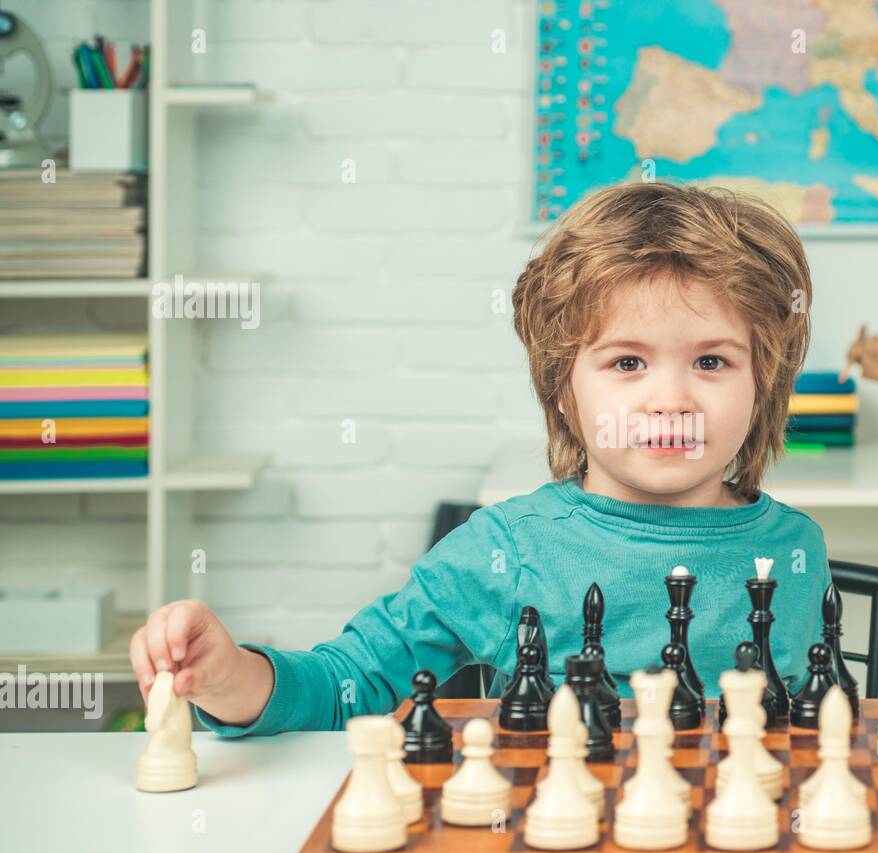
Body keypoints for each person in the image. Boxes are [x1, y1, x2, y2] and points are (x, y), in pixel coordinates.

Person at [129, 180, 833, 735]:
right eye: (627, 362)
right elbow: (355, 681)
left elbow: (806, 729)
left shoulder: (796, 548)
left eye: (711, 360)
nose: (669, 397)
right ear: (563, 390)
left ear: (761, 382)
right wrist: (230, 678)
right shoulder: (509, 548)